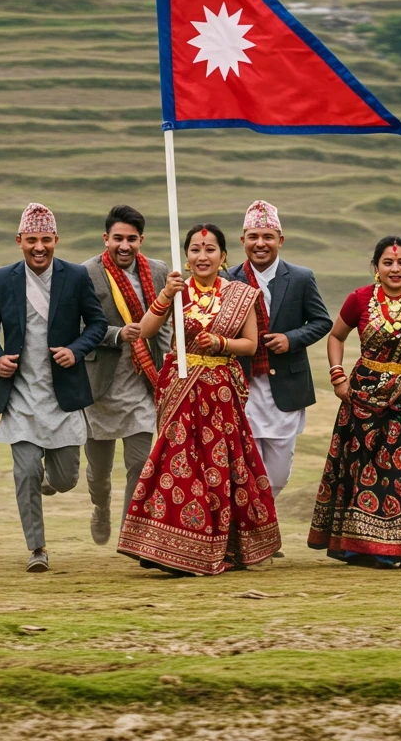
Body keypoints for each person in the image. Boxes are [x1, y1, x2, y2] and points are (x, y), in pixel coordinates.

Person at [118, 223, 281, 575]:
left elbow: (250, 345)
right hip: (181, 389)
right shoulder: (177, 291)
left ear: (224, 256)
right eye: (194, 249)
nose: (202, 256)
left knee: (219, 467)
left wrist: (220, 344)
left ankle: (220, 545)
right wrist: (164, 296)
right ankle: (166, 546)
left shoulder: (240, 293)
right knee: (177, 464)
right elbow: (143, 331)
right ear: (186, 256)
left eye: (209, 250)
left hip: (220, 394)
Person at [0, 203, 107, 572]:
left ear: (56, 240)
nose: (39, 247)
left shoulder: (76, 275)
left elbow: (95, 325)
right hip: (20, 395)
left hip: (62, 396)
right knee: (26, 472)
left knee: (65, 479)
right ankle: (37, 549)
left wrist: (75, 350)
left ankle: (51, 483)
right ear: (19, 241)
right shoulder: (3, 278)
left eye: (45, 240)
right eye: (31, 240)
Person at [309, 236, 401, 569]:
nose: (395, 269)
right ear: (376, 268)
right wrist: (338, 376)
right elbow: (336, 337)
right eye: (388, 263)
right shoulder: (359, 299)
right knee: (367, 470)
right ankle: (364, 547)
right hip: (365, 397)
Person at [226, 200, 332, 507]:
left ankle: (261, 518)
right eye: (253, 237)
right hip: (242, 387)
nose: (260, 243)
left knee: (277, 475)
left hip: (285, 386)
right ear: (242, 240)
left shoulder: (300, 277)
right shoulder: (228, 280)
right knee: (248, 470)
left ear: (280, 240)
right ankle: (256, 534)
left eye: (267, 236)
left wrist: (291, 338)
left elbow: (322, 321)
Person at [82, 204, 172, 544]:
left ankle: (129, 534)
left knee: (139, 464)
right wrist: (117, 334)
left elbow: (163, 325)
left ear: (141, 240)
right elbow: (79, 325)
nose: (124, 245)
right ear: (106, 238)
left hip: (143, 383)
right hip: (100, 386)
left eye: (131, 239)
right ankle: (101, 506)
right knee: (100, 472)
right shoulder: (85, 273)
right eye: (117, 238)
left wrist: (166, 369)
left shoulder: (159, 271)